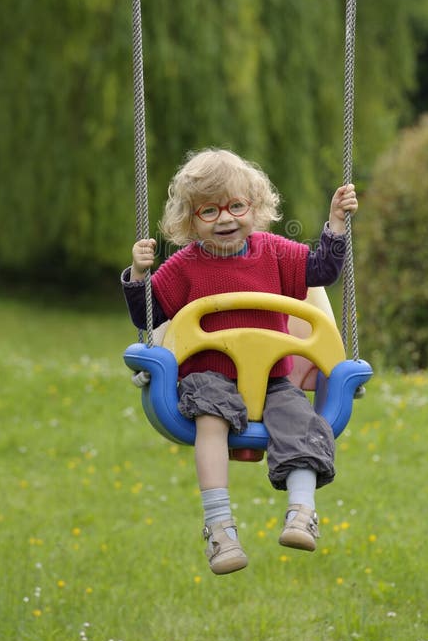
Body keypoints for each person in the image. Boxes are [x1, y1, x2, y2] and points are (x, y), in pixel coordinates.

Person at [121, 148, 358, 575]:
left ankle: (302, 512)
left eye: (236, 206)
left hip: (275, 381)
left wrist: (336, 226)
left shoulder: (275, 252)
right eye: (208, 211)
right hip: (207, 378)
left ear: (255, 207)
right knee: (210, 420)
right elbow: (148, 315)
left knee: (304, 423)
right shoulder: (184, 266)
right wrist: (139, 276)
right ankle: (220, 528)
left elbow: (321, 270)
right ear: (190, 222)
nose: (225, 218)